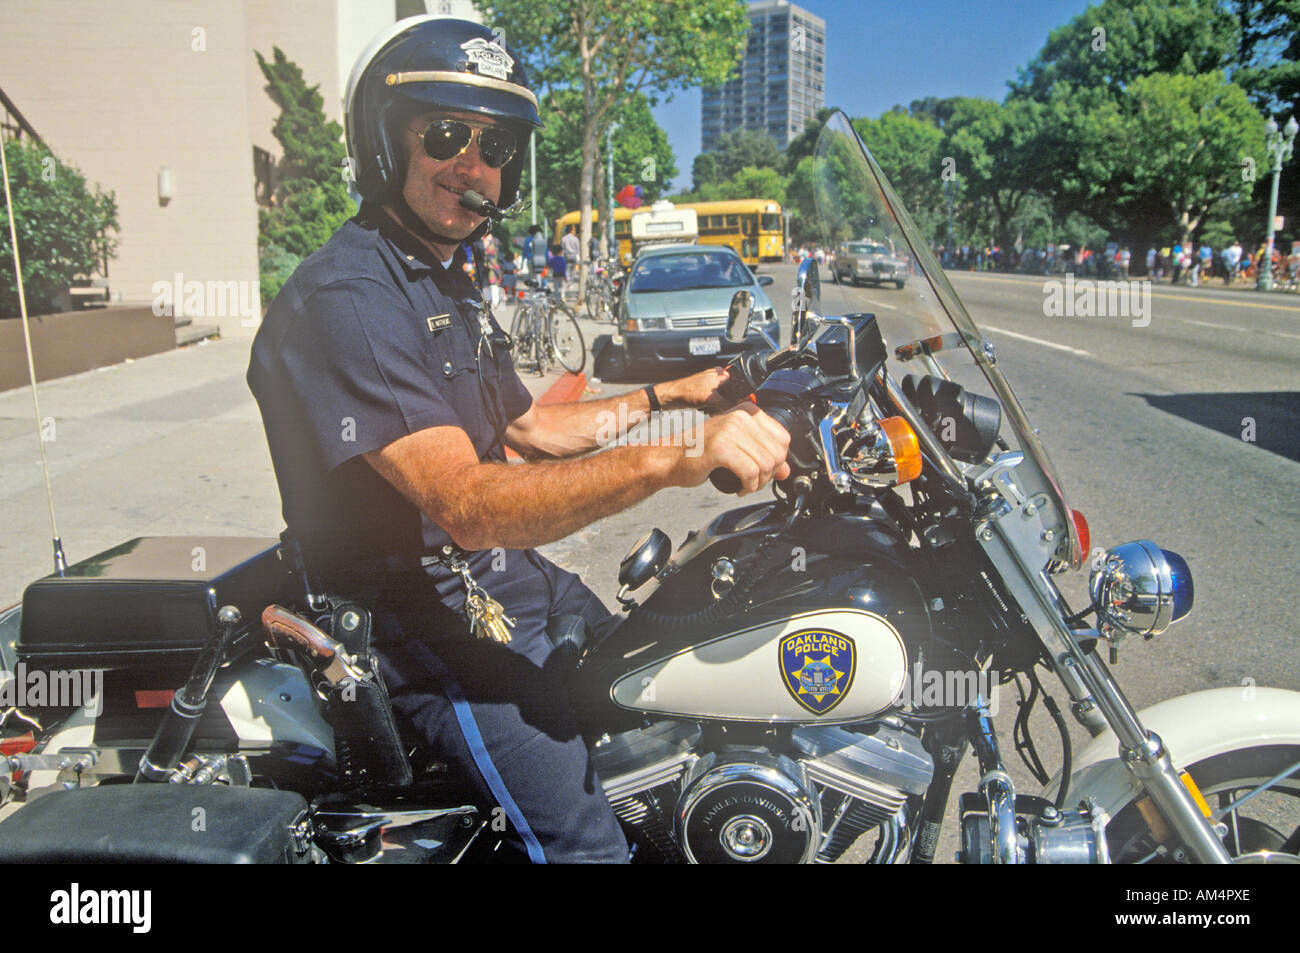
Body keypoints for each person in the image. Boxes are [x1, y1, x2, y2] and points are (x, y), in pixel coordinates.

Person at [246, 16, 790, 864]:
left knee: (663, 701)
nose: (474, 163)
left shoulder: (443, 280)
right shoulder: (348, 301)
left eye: (494, 143)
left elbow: (531, 429)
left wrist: (672, 396)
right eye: (449, 134)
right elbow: (467, 505)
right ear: (386, 143)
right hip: (421, 631)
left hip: (506, 591)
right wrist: (676, 456)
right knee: (591, 851)